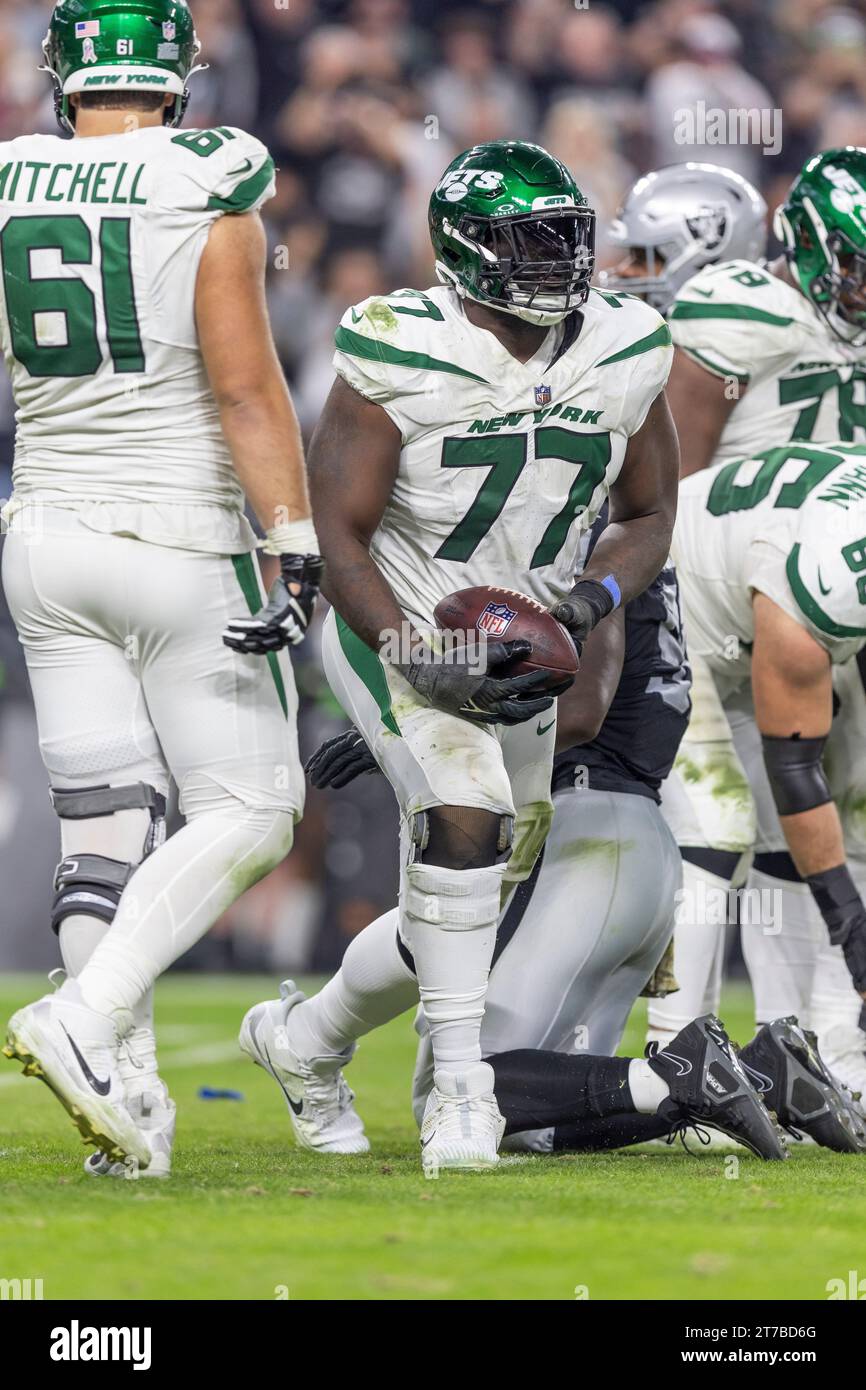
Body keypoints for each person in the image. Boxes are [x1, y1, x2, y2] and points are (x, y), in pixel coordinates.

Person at [243, 139, 681, 1173]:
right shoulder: (397, 343)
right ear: (466, 251)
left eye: (567, 242)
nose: (555, 265)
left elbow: (650, 510)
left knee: (467, 885)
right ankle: (460, 1093)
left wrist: (584, 598)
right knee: (462, 816)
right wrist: (408, 648)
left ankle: (302, 1043)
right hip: (393, 612)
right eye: (530, 244)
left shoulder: (624, 344)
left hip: (519, 634)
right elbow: (337, 529)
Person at [2, 0, 320, 1175]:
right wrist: (291, 537)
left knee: (105, 821)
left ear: (67, 74)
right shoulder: (209, 179)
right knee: (253, 803)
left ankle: (126, 1108)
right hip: (178, 534)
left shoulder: (11, 177)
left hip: (43, 532)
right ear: (177, 72)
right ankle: (86, 1023)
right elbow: (245, 390)